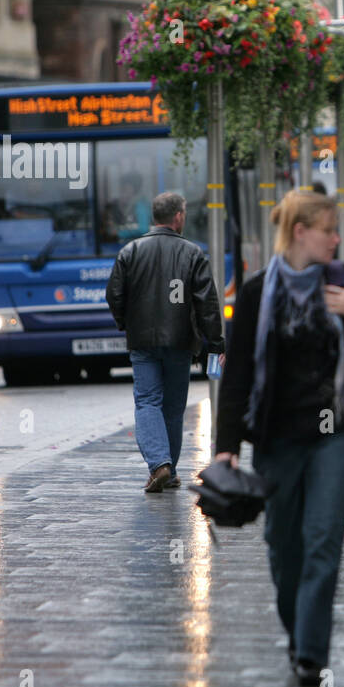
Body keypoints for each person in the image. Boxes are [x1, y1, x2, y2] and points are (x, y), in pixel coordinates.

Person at [213, 191, 344, 685]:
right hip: (277, 437)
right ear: (299, 232)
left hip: (338, 432)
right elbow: (239, 372)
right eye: (328, 230)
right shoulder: (255, 293)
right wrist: (226, 446)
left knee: (321, 540)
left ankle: (311, 652)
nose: (337, 238)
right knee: (281, 543)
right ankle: (298, 632)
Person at [106, 192, 225, 493]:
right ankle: (166, 467)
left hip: (142, 341)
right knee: (173, 407)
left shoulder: (130, 251)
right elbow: (207, 304)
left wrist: (126, 323)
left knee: (147, 401)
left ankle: (161, 466)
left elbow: (114, 295)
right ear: (179, 217)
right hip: (180, 341)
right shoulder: (193, 253)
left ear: (154, 217)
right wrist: (216, 344)